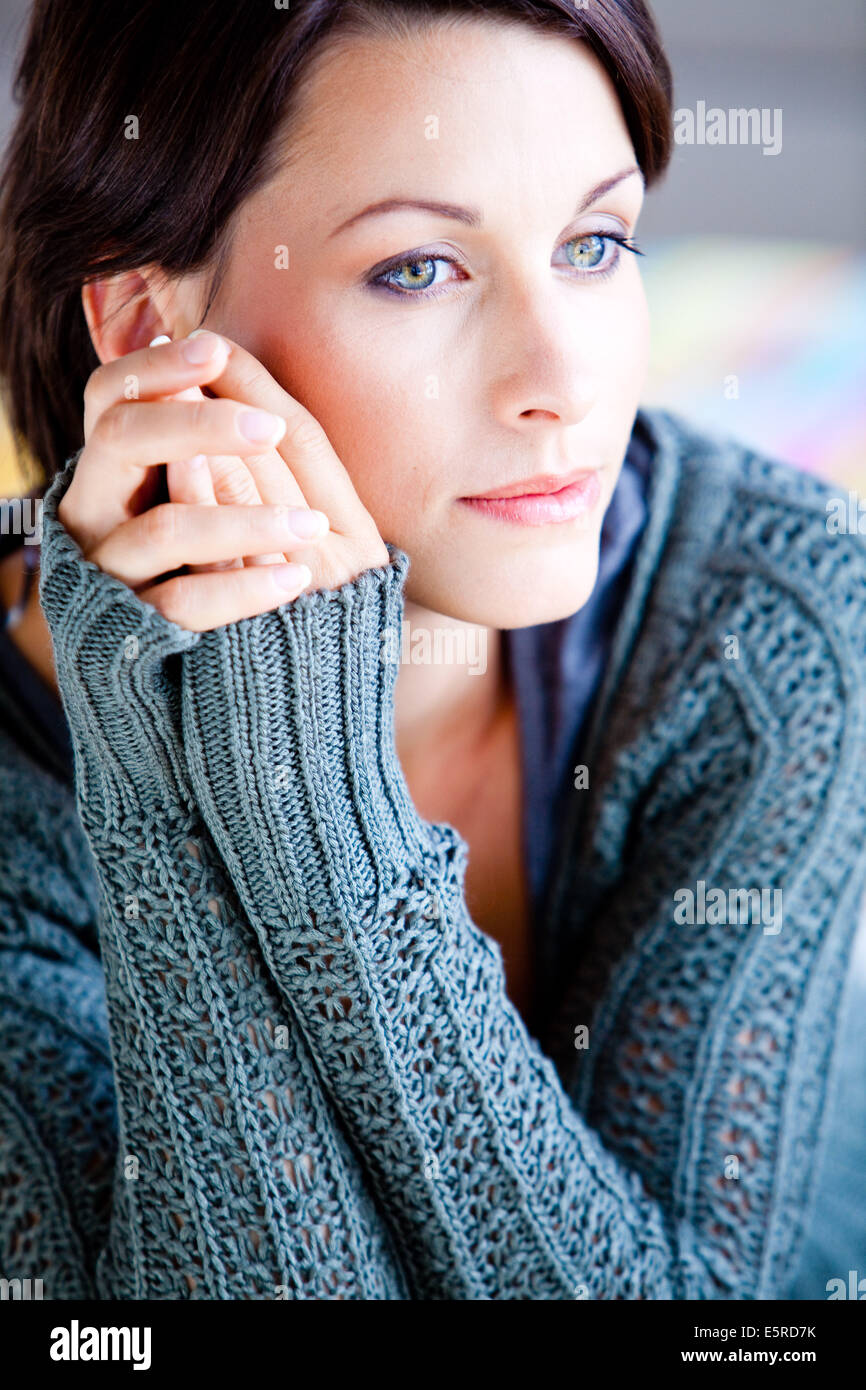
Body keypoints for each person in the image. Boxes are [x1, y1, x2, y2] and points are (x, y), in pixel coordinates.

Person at [0, 0, 864, 1300]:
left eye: (593, 242)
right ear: (139, 323)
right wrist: (166, 775)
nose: (561, 380)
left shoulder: (765, 609)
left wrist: (311, 809)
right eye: (418, 267)